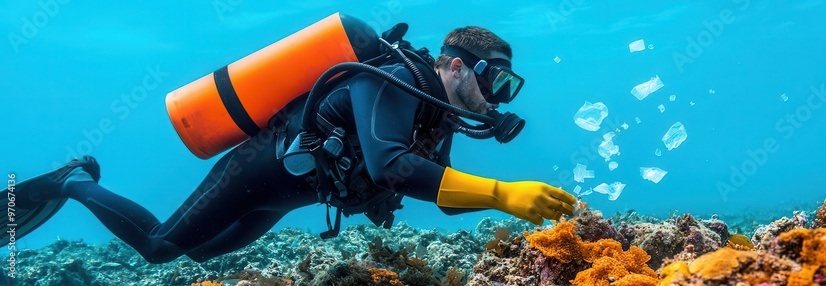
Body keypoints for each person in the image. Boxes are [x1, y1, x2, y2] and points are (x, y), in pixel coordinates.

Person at [10, 26, 577, 264]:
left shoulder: (439, 113)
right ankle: (75, 180)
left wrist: (508, 200)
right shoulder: (389, 80)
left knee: (203, 253)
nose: (499, 99)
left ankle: (72, 182)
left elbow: (442, 190)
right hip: (260, 168)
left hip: (293, 194)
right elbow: (392, 168)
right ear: (455, 66)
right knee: (161, 248)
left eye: (508, 87)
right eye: (494, 81)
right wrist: (502, 193)